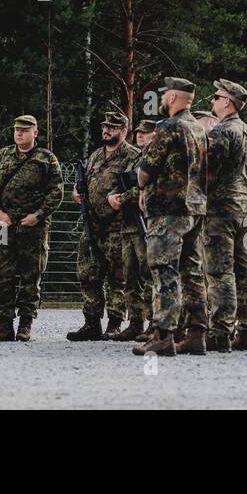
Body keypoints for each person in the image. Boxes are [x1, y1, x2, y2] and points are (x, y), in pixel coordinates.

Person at [132, 77, 208, 357]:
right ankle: (197, 333)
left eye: (164, 94)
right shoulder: (199, 128)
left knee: (164, 270)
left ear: (174, 97)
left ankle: (163, 334)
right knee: (192, 271)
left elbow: (145, 171)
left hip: (168, 208)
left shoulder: (169, 128)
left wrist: (142, 184)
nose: (161, 99)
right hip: (194, 207)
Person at [0, 114, 63, 342]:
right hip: (2, 225)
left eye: (24, 130)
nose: (19, 133)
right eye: (16, 130)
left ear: (35, 133)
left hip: (33, 227)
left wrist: (37, 216)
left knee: (31, 276)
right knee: (1, 274)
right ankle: (4, 324)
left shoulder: (46, 159)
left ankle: (25, 324)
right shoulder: (2, 156)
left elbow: (56, 191)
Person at [68, 112, 139, 341]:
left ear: (124, 131)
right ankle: (91, 322)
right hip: (93, 225)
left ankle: (115, 323)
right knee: (88, 274)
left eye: (113, 127)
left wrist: (120, 198)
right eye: (105, 126)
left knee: (118, 276)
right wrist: (77, 193)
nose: (107, 130)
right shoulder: (96, 155)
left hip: (117, 226)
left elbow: (137, 186)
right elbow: (89, 183)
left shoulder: (132, 156)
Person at [201, 79, 247, 352]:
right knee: (242, 269)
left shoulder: (222, 131)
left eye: (215, 97)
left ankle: (220, 331)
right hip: (245, 207)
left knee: (219, 270)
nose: (211, 101)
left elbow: (207, 169)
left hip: (221, 208)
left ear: (227, 101)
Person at [107, 119, 155, 341]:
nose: (141, 136)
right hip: (129, 224)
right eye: (138, 132)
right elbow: (124, 181)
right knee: (130, 276)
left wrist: (122, 197)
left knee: (150, 275)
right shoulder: (135, 158)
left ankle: (154, 322)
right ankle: (136, 322)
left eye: (146, 133)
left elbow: (148, 187)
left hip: (147, 223)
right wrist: (112, 196)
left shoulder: (155, 158)